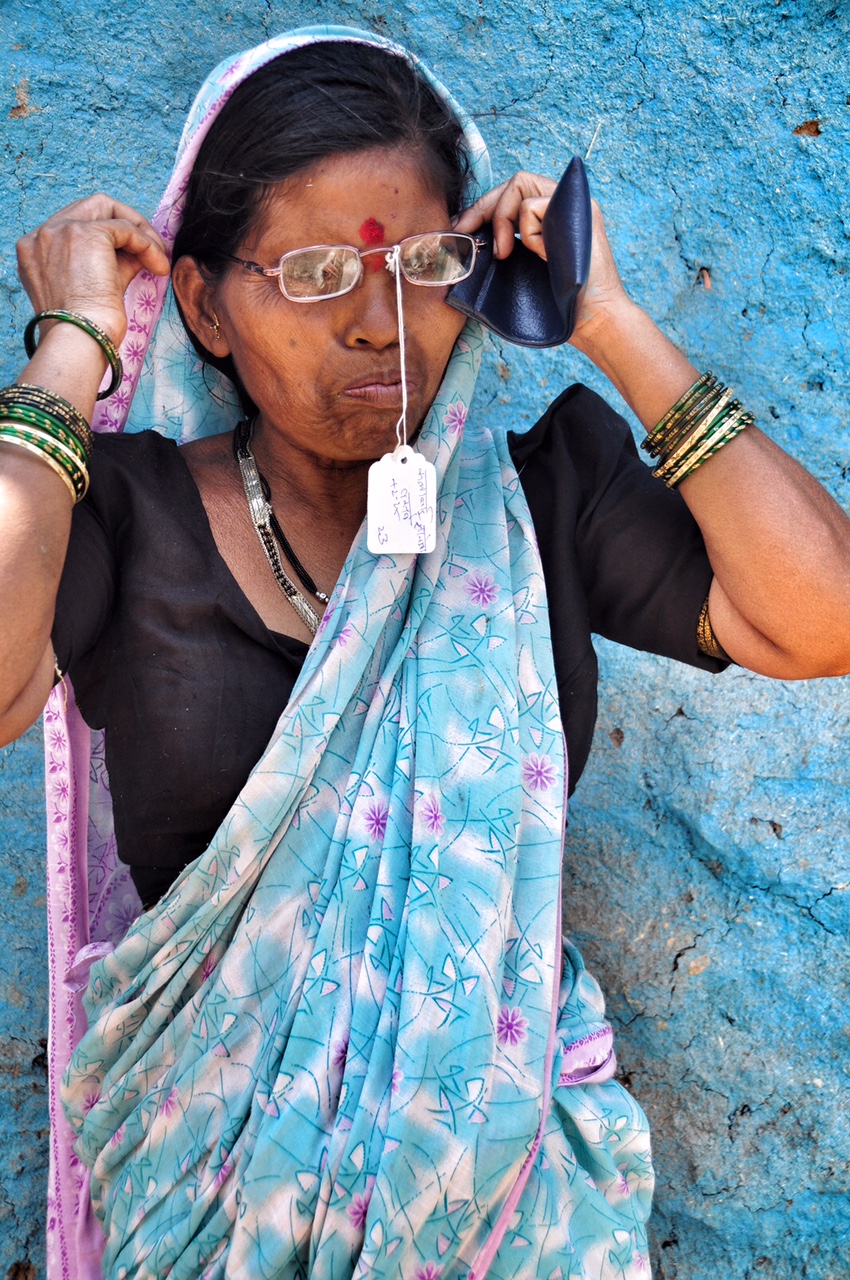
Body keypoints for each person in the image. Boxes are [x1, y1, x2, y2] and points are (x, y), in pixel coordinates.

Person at [2, 24, 850, 1280]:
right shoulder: (123, 516)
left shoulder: (542, 502)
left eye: (423, 263)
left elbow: (819, 616)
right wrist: (72, 344)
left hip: (514, 1218)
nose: (374, 323)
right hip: (211, 1211)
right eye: (308, 274)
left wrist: (607, 319)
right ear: (205, 307)